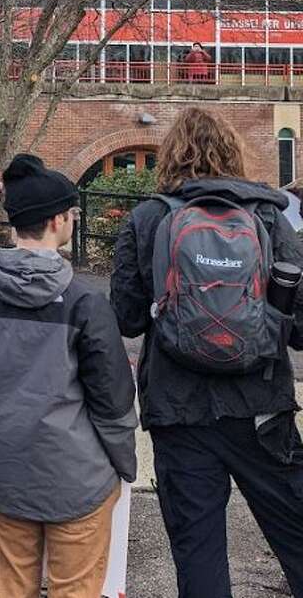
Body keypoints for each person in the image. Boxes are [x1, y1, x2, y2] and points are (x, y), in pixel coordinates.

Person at [111, 107, 303, 597]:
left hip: (180, 408)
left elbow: (127, 317)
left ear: (172, 155)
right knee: (295, 535)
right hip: (262, 409)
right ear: (234, 154)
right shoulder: (269, 216)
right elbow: (300, 327)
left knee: (198, 552)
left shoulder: (150, 217)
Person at [0, 154, 136, 598]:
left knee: (13, 589)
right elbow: (114, 401)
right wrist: (125, 467)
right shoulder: (85, 302)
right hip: (78, 478)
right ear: (58, 221)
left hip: (6, 473)